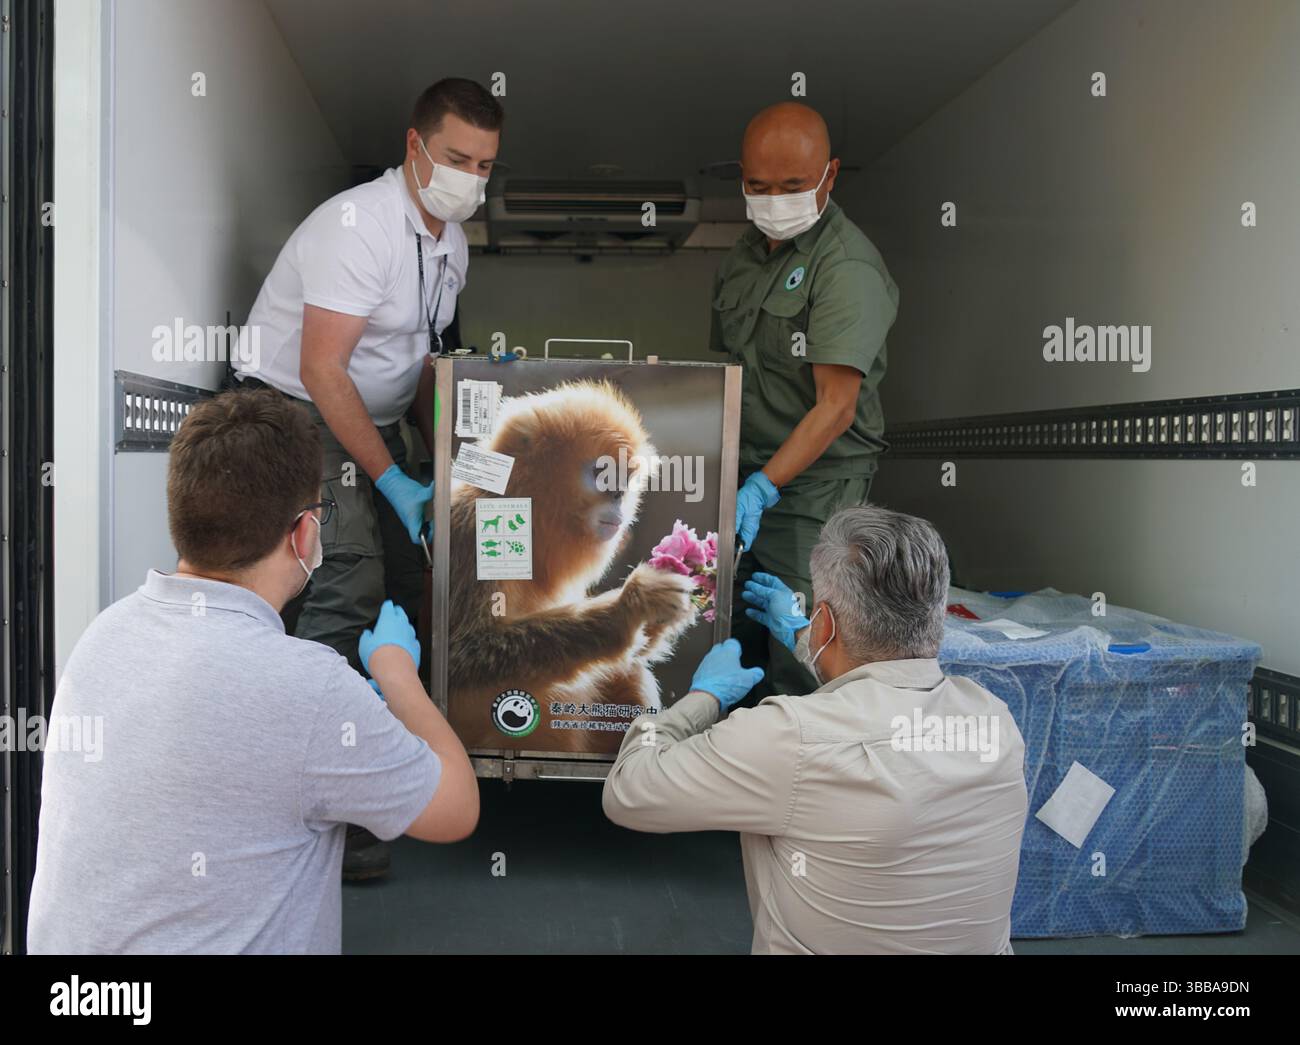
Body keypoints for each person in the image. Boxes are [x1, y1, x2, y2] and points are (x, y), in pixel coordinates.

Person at [27, 390, 478, 954]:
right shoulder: (311, 686)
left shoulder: (102, 635)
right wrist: (397, 676)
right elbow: (455, 810)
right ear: (305, 533)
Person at [233, 77, 502, 877]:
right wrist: (389, 481)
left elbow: (418, 360)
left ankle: (378, 767)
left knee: (416, 580)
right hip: (297, 411)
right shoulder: (359, 226)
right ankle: (313, 814)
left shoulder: (448, 241)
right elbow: (323, 370)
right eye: (458, 158)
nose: (472, 179)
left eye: (486, 165)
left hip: (373, 424)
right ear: (415, 146)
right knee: (347, 578)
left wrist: (438, 457)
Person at [602, 505, 1028, 954]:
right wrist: (809, 639)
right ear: (935, 616)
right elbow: (878, 699)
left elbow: (629, 791)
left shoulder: (788, 737)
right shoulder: (994, 721)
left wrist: (703, 698)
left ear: (825, 620)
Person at [711, 101, 899, 703]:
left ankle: (805, 793)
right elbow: (724, 376)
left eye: (792, 186)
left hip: (814, 494)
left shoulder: (845, 265)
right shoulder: (744, 254)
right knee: (726, 643)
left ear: (830, 174)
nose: (773, 199)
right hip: (741, 484)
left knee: (805, 655)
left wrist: (763, 486)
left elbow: (836, 406)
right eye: (758, 185)